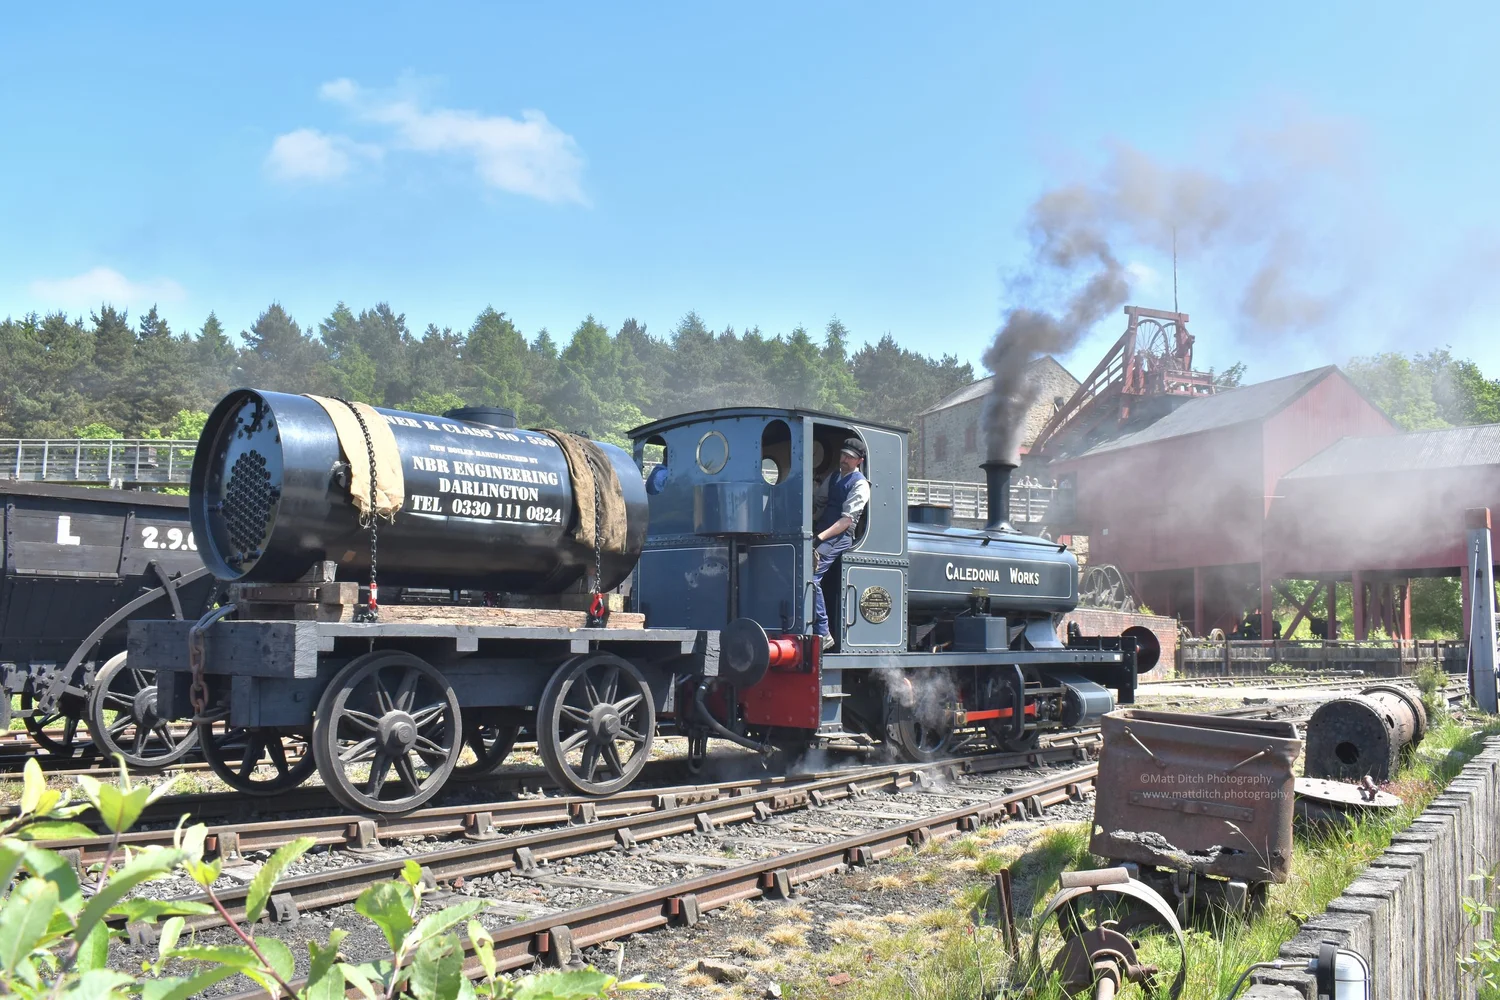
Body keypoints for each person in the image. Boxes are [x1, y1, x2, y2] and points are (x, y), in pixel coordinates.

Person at [812, 437, 870, 650]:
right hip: (824, 531)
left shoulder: (861, 485)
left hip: (840, 536)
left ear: (859, 461)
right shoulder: (834, 476)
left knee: (811, 577)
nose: (844, 459)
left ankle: (823, 632)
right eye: (843, 455)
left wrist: (820, 537)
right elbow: (819, 501)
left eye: (850, 457)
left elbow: (847, 521)